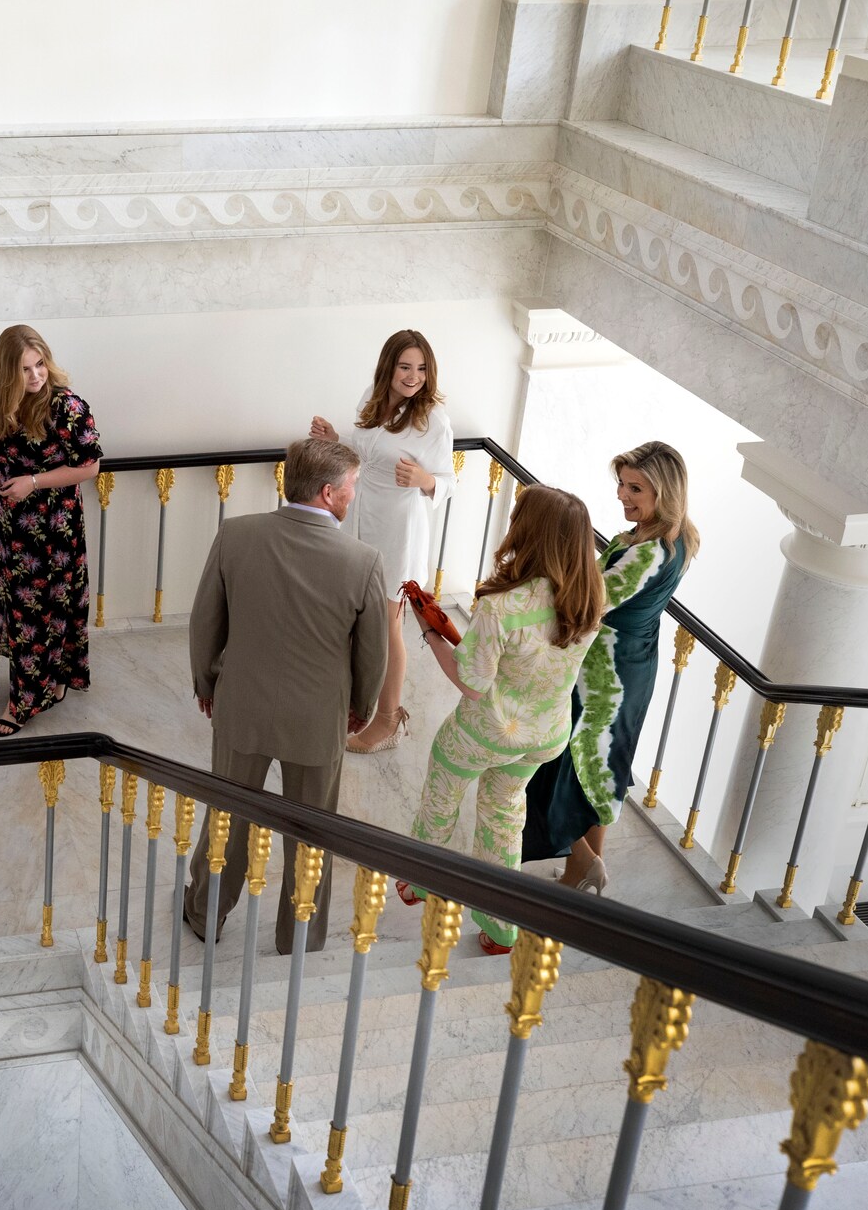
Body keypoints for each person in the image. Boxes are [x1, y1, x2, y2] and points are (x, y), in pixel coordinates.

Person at [181, 438, 390, 954]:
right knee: (311, 834)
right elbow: (373, 654)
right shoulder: (363, 561)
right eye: (352, 487)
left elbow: (205, 622)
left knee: (227, 818)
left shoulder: (234, 535)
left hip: (242, 706)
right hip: (318, 720)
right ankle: (298, 937)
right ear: (328, 493)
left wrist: (207, 684)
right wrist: (361, 708)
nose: (354, 495)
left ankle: (205, 912)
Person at [414, 485, 603, 954]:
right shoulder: (588, 598)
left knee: (442, 793)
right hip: (545, 735)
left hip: (484, 732)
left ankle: (418, 879)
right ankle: (501, 926)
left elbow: (473, 683)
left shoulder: (502, 605)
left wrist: (431, 634)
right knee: (503, 816)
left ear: (528, 532)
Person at [525, 442, 699, 893]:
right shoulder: (672, 538)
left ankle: (584, 864)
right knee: (600, 770)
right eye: (621, 484)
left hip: (607, 677)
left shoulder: (648, 551)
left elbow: (591, 603)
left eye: (635, 488)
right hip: (631, 662)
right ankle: (581, 872)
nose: (622, 495)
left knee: (563, 764)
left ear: (665, 491)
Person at [311, 330, 453, 752]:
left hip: (398, 530)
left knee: (388, 624)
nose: (413, 376)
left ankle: (390, 720)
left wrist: (425, 479)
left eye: (421, 368)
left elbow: (447, 482)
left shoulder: (433, 422)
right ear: (388, 366)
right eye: (405, 366)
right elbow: (365, 452)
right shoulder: (371, 400)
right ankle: (352, 702)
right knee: (351, 615)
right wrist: (335, 442)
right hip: (358, 519)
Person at [0, 325, 101, 736]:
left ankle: (22, 702)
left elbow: (91, 466)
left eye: (40, 364)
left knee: (41, 610)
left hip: (51, 530)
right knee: (10, 605)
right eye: (24, 369)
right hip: (5, 524)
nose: (36, 375)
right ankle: (49, 680)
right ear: (7, 371)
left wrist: (33, 482)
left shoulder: (67, 406)